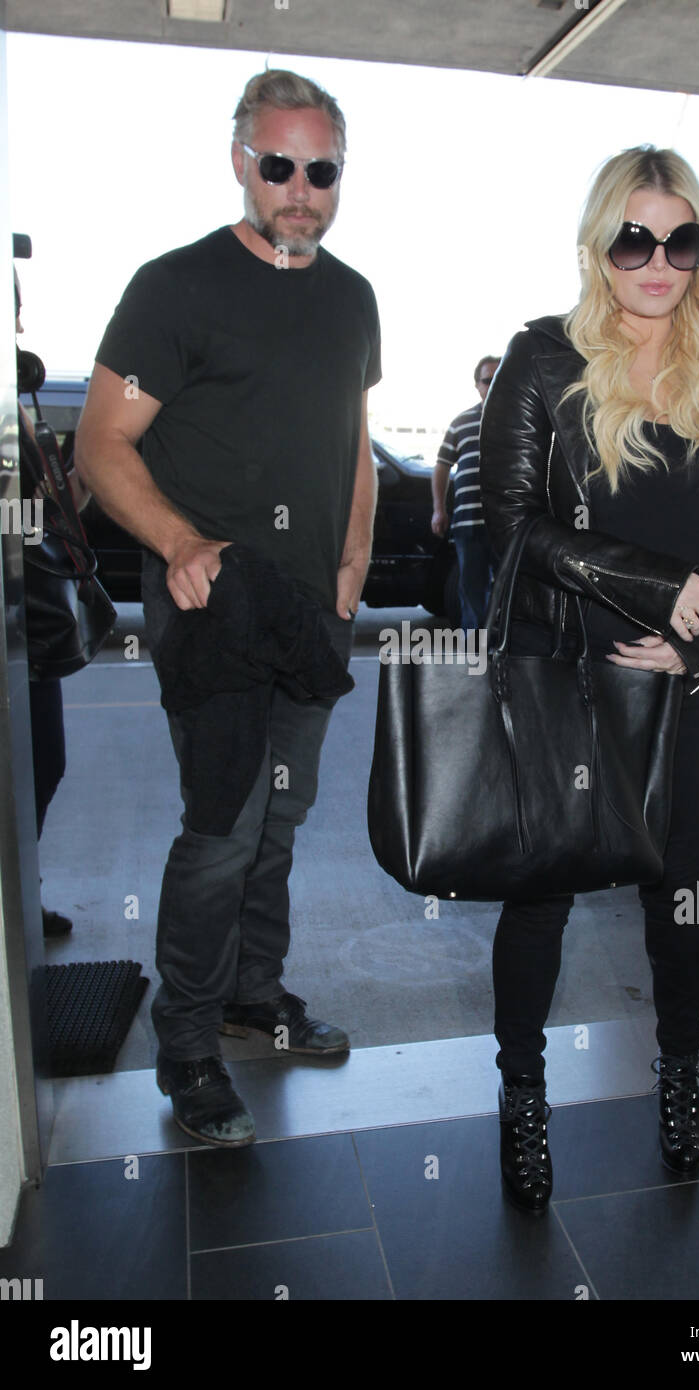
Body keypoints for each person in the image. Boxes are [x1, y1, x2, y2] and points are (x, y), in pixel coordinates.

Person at [75, 69, 381, 1148]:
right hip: (212, 607)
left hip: (309, 614)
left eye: (321, 170)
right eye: (279, 165)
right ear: (241, 161)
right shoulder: (176, 287)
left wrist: (352, 564)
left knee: (280, 819)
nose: (300, 190)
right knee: (222, 829)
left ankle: (256, 998)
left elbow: (350, 440)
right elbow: (99, 443)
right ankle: (189, 1045)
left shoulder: (350, 295)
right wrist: (177, 541)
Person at [479, 146, 699, 1213]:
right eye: (632, 238)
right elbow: (510, 525)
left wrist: (696, 641)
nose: (655, 260)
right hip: (562, 667)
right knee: (540, 890)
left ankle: (680, 1075)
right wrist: (649, 582)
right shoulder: (543, 359)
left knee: (675, 884)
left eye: (677, 239)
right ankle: (520, 1095)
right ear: (599, 244)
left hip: (673, 687)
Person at [14, 267, 91, 937]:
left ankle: (19, 896)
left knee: (42, 761)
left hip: (28, 626)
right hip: (19, 623)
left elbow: (45, 519)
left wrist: (81, 477)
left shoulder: (18, 409)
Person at [431, 355, 501, 628]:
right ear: (477, 384)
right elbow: (441, 467)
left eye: (498, 378)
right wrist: (439, 510)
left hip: (507, 526)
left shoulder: (518, 418)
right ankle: (475, 654)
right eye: (487, 379)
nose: (493, 384)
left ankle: (509, 654)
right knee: (471, 592)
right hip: (468, 525)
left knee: (513, 592)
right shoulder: (460, 423)